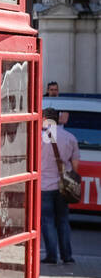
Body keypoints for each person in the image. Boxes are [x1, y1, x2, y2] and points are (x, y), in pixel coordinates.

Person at [40, 107, 80, 265]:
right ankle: (67, 256)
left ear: (44, 119)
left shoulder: (40, 137)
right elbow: (75, 166)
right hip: (63, 186)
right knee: (63, 220)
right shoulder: (70, 137)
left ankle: (51, 255)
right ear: (57, 119)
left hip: (45, 185)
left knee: (47, 220)